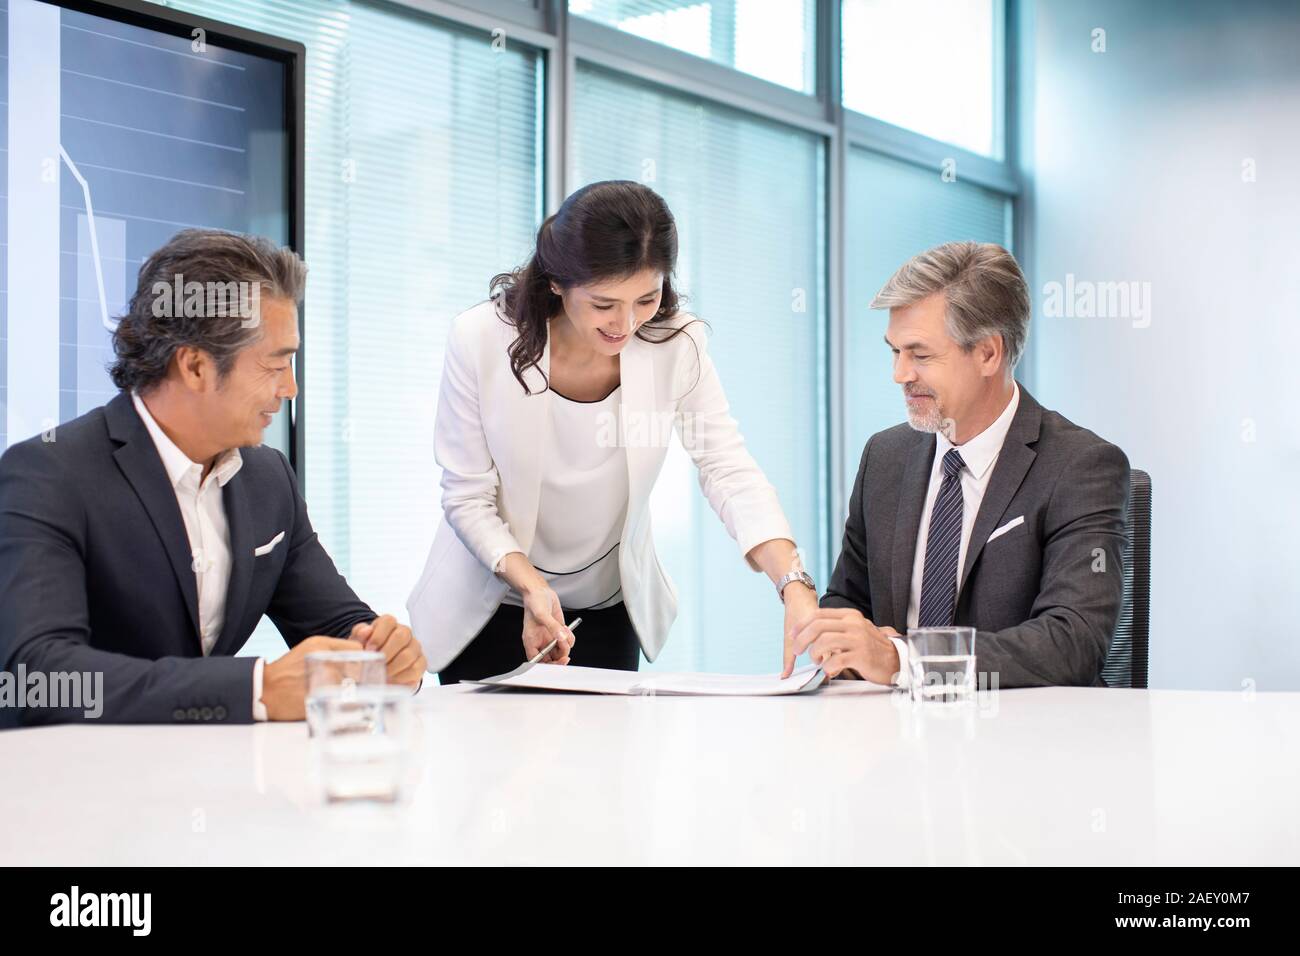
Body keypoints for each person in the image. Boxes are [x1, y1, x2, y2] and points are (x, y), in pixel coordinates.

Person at [0, 229, 425, 727]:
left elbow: (335, 622)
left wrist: (383, 651)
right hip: (75, 785)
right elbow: (38, 672)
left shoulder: (268, 479)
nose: (290, 388)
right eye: (276, 364)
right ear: (196, 366)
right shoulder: (49, 473)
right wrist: (255, 690)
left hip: (213, 784)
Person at [409, 180, 818, 683]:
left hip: (606, 612)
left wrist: (794, 584)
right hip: (493, 606)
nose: (625, 325)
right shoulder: (480, 339)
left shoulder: (676, 343)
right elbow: (467, 496)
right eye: (604, 304)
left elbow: (727, 467)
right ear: (556, 282)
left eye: (646, 298)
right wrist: (534, 588)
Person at [796, 241, 1130, 687]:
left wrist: (904, 660)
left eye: (920, 354)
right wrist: (842, 642)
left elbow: (1073, 641)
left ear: (988, 353)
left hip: (1028, 741)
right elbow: (847, 601)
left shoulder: (1080, 467)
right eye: (894, 351)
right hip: (893, 736)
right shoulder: (885, 458)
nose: (899, 374)